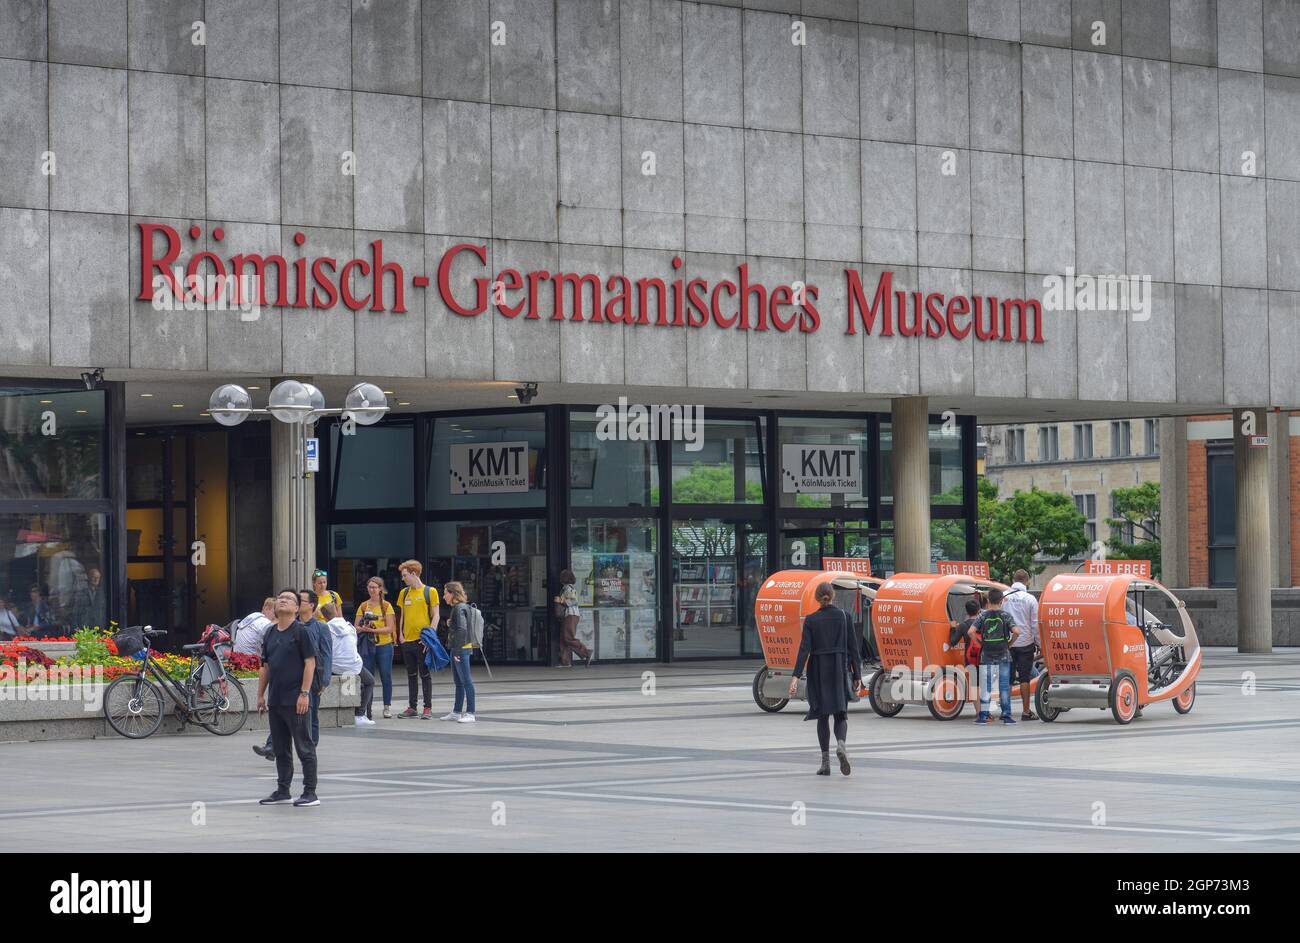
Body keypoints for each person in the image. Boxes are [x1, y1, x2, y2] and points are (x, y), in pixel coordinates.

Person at [788, 581, 861, 776]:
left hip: (818, 671)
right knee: (840, 713)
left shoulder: (811, 620)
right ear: (833, 595)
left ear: (816, 598)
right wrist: (857, 675)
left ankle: (825, 763)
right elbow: (854, 648)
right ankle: (841, 744)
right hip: (839, 668)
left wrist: (795, 676)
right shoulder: (845, 618)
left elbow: (804, 650)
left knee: (822, 715)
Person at [256, 589, 319, 807]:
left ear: (296, 608)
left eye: (289, 599)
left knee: (304, 747)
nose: (283, 600)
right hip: (276, 699)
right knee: (281, 749)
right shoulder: (270, 633)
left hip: (296, 699)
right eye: (280, 598)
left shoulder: (301, 632)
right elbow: (265, 666)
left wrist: (304, 693)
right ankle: (283, 791)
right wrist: (260, 695)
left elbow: (310, 663)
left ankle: (310, 793)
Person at [320, 601, 375, 727]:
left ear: (324, 616)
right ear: (337, 612)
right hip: (352, 665)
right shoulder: (350, 626)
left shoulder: (325, 628)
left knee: (353, 681)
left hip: (335, 666)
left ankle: (355, 710)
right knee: (370, 681)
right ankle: (360, 714)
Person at [395, 560, 438, 719]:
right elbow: (403, 616)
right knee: (411, 674)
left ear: (414, 574)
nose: (403, 578)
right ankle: (412, 707)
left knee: (425, 674)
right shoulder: (404, 593)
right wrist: (401, 634)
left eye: (405, 575)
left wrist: (430, 638)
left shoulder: (430, 591)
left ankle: (427, 707)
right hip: (407, 640)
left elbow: (436, 615)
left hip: (422, 641)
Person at [972, 588, 1020, 725]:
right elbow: (1017, 631)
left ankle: (983, 716)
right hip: (1003, 654)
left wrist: (980, 643)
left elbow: (971, 632)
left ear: (988, 601)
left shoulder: (982, 616)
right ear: (1001, 601)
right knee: (1004, 686)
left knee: (986, 686)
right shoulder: (1005, 616)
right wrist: (1009, 644)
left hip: (986, 654)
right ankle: (1006, 716)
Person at [355, 577, 397, 719]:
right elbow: (356, 627)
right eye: (370, 587)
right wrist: (364, 627)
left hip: (384, 645)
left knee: (386, 675)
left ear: (380, 589)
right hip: (368, 645)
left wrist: (373, 630)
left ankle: (387, 707)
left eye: (375, 587)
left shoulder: (386, 606)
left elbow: (390, 628)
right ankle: (367, 708)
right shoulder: (363, 606)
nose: (372, 590)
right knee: (368, 677)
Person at [1002, 569, 1040, 720]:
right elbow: (1035, 624)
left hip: (1007, 644)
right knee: (1024, 678)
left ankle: (1006, 712)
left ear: (1013, 579)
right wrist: (1039, 643)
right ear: (1027, 581)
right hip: (1026, 643)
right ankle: (1026, 712)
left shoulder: (1004, 597)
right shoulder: (1030, 599)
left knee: (1007, 679)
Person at [440, 581, 477, 723]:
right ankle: (456, 711)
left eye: (445, 593)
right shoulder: (460, 607)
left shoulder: (459, 608)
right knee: (459, 681)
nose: (444, 596)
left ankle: (470, 712)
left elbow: (462, 629)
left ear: (452, 593)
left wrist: (456, 649)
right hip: (460, 648)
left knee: (465, 680)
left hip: (460, 649)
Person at [553, 568, 593, 667]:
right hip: (569, 615)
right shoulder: (566, 588)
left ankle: (586, 652)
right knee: (563, 639)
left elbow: (574, 601)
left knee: (568, 638)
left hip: (571, 615)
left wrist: (561, 601)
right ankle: (565, 662)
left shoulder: (568, 588)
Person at [949, 598, 982, 705]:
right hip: (984, 657)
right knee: (985, 685)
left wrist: (953, 628)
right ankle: (987, 712)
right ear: (979, 610)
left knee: (974, 686)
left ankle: (978, 713)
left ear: (966, 611)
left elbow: (953, 642)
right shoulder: (984, 623)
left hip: (970, 658)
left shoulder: (963, 626)